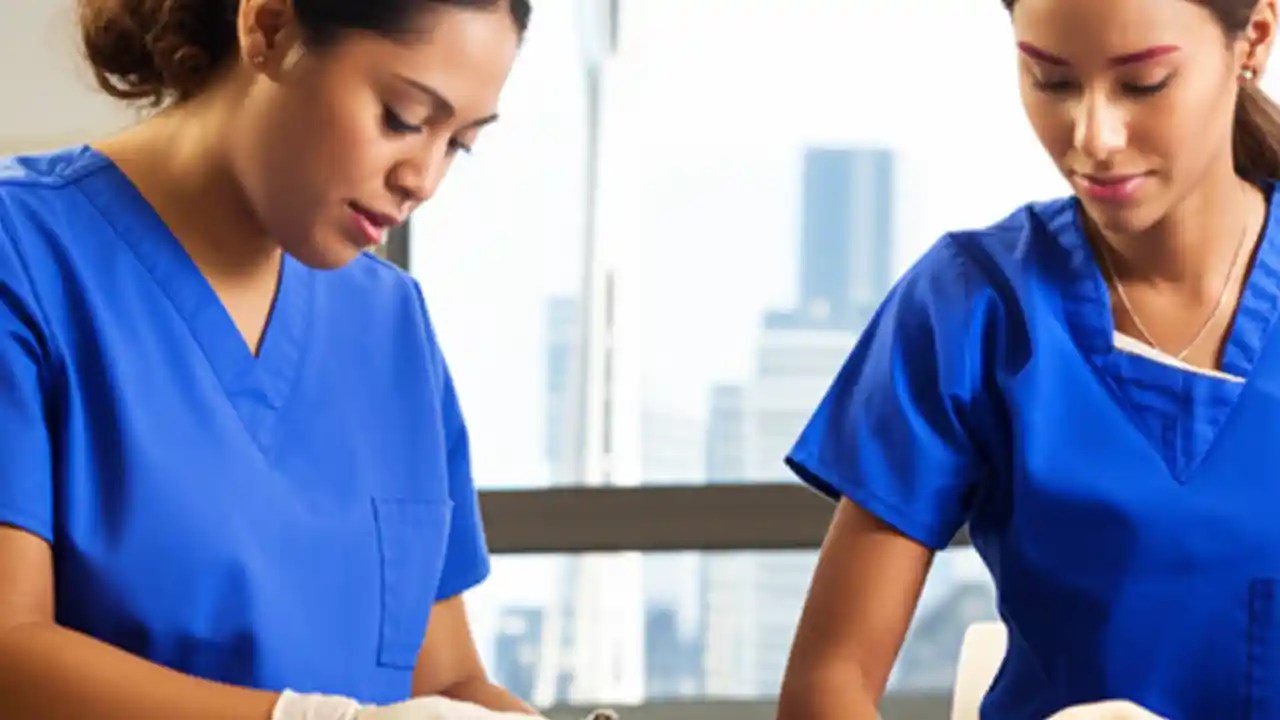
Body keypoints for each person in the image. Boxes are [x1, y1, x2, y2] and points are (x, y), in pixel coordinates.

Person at [0, 1, 554, 718]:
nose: (423, 179)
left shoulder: (389, 324)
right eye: (403, 118)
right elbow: (10, 652)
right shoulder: (26, 259)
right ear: (270, 29)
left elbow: (445, 684)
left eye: (459, 145)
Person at [776, 0, 1280, 718]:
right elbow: (830, 684)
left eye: (1143, 84)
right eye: (1053, 82)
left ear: (1253, 39)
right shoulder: (972, 305)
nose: (1093, 137)